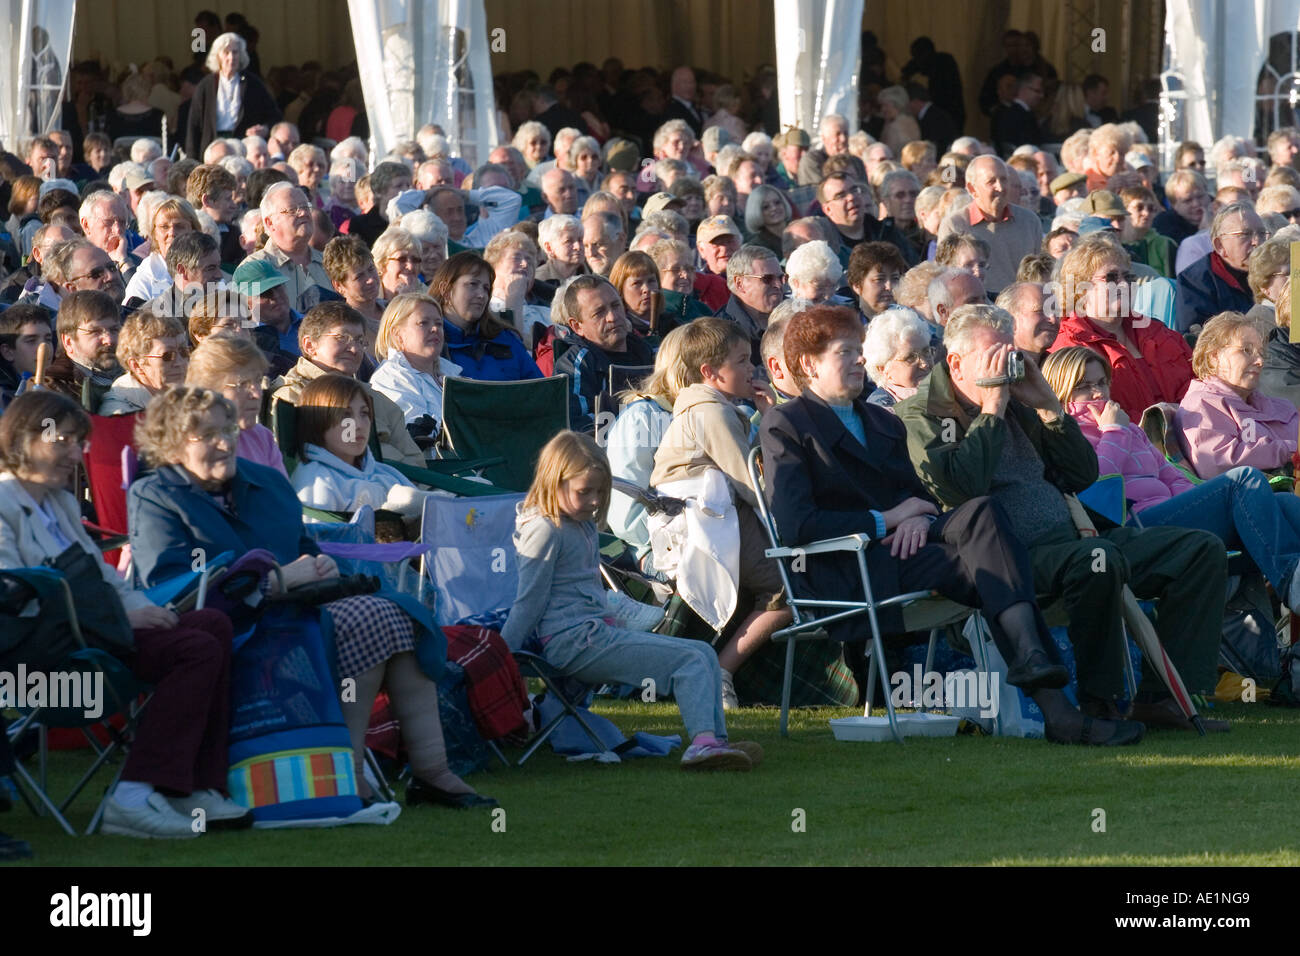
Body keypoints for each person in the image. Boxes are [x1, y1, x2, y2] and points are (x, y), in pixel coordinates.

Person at [761, 305, 1144, 744]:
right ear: (809, 365)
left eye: (858, 351)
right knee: (994, 566)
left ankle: (1047, 686)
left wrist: (918, 516)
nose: (860, 360)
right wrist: (887, 520)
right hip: (845, 568)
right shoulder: (786, 423)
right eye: (845, 352)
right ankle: (1050, 693)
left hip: (904, 553)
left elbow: (920, 496)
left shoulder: (880, 420)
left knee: (983, 518)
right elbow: (797, 525)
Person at [127, 386, 494, 808]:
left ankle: (432, 772)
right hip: (229, 623)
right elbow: (173, 587)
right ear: (170, 443)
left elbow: (303, 543)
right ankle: (347, 776)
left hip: (301, 607)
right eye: (207, 435)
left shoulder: (264, 481)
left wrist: (319, 565)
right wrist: (273, 581)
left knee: (400, 614)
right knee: (371, 619)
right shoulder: (156, 495)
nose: (226, 442)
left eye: (228, 429)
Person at [896, 303, 1229, 731]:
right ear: (956, 363)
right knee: (1097, 561)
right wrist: (992, 410)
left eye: (1009, 353)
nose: (1006, 366)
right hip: (1009, 558)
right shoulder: (925, 415)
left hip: (1076, 532)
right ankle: (1100, 704)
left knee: (1199, 550)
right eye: (992, 357)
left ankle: (1162, 698)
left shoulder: (1018, 401)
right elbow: (963, 490)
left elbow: (1081, 474)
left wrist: (1050, 408)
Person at [0, 390, 250, 837]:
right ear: (23, 439)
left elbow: (105, 577)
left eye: (79, 443)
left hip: (96, 636)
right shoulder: (3, 503)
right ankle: (134, 793)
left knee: (211, 622)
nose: (76, 454)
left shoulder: (58, 503)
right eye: (64, 441)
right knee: (194, 648)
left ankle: (189, 786)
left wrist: (139, 608)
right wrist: (119, 620)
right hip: (46, 655)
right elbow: (17, 595)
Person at [503, 430, 759, 768]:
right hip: (574, 643)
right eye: (585, 492)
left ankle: (714, 740)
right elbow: (528, 602)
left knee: (703, 653)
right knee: (690, 661)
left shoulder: (581, 525)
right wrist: (500, 653)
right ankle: (702, 746)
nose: (595, 500)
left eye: (600, 491)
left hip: (595, 633)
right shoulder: (545, 530)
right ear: (555, 482)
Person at [1044, 343, 1300, 614]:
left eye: (1102, 382)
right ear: (1061, 390)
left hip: (1173, 516)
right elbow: (1099, 484)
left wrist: (1197, 506)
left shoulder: (1130, 428)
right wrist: (1113, 430)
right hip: (1135, 530)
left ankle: (1293, 581)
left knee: (1285, 502)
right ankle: (1289, 582)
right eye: (1084, 386)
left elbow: (1173, 476)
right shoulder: (1068, 436)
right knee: (1244, 480)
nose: (1098, 392)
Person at [651, 318, 791, 709]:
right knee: (786, 590)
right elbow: (750, 483)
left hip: (718, 515)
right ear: (709, 372)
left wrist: (766, 415)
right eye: (742, 361)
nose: (752, 369)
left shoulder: (717, 406)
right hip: (705, 519)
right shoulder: (710, 412)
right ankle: (719, 674)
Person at [1048, 233, 1194, 420]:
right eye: (1111, 278)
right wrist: (1155, 421)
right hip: (1121, 443)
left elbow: (1196, 386)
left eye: (1128, 277)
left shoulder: (1159, 332)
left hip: (1187, 436)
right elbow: (1087, 414)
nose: (1124, 285)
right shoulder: (1068, 345)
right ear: (1081, 288)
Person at [271, 301, 426, 467]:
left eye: (360, 341)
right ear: (310, 346)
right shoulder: (292, 397)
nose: (354, 349)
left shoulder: (377, 399)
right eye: (342, 338)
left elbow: (416, 463)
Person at [1176, 311, 1298, 480]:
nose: (1260, 361)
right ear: (1214, 357)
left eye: (1261, 353)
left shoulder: (1279, 405)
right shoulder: (1202, 404)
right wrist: (1290, 450)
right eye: (1246, 350)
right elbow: (1216, 463)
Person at [292, 374, 430, 522]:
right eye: (346, 415)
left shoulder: (386, 474)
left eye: (364, 413)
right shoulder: (316, 480)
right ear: (317, 422)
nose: (358, 424)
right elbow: (317, 539)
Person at [554, 274, 654, 432]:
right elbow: (578, 426)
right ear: (577, 326)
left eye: (616, 306)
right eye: (598, 313)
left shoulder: (646, 351)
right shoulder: (575, 366)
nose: (612, 317)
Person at [936, 155, 1041, 295]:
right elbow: (947, 278)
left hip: (1021, 305)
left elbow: (1038, 273)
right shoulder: (955, 225)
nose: (1001, 187)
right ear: (972, 189)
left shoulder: (1029, 221)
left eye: (1004, 180)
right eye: (991, 181)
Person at [429, 252, 541, 382]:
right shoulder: (429, 341)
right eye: (473, 284)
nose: (481, 295)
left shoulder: (505, 339)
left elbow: (541, 390)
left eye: (486, 288)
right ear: (446, 290)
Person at [185, 332, 286, 477]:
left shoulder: (262, 437)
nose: (257, 394)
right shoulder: (191, 444)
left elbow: (283, 496)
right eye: (243, 384)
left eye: (258, 381)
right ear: (208, 389)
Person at [369, 292, 461, 433]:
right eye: (423, 323)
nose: (435, 329)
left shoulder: (452, 372)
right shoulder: (390, 378)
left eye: (439, 323)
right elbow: (415, 433)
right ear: (398, 334)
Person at [185, 32, 281, 160]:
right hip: (213, 148)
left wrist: (264, 129)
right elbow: (194, 125)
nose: (231, 57)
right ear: (217, 56)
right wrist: (192, 160)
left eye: (235, 52)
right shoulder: (205, 85)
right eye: (226, 53)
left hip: (244, 149)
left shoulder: (253, 84)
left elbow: (275, 116)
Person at [244, 183, 333, 314]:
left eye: (305, 207)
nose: (303, 213)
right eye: (292, 210)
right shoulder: (254, 269)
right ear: (270, 223)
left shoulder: (329, 263)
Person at [1176, 202, 1263, 333]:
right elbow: (1196, 339)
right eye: (1245, 234)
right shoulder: (1194, 281)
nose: (1257, 241)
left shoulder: (1277, 270)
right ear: (1220, 245)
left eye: (1262, 233)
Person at [43, 289, 123, 409]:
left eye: (114, 330)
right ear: (68, 342)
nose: (109, 340)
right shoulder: (50, 392)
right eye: (95, 332)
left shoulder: (140, 375)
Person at [99, 312, 189, 416]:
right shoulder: (120, 416)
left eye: (183, 351)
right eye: (167, 356)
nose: (180, 362)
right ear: (136, 366)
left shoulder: (191, 396)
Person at [818, 173, 917, 265]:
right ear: (828, 209)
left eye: (854, 190)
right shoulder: (825, 247)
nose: (851, 197)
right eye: (841, 195)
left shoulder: (887, 233)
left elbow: (912, 272)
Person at [122, 196, 200, 307]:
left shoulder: (206, 267)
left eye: (179, 226)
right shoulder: (145, 279)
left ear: (194, 230)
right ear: (155, 234)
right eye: (164, 227)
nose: (172, 232)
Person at [863, 306, 934, 407]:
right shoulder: (881, 411)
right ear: (883, 369)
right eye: (910, 358)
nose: (925, 364)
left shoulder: (946, 393)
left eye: (926, 352)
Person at [997, 279, 1059, 363]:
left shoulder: (1061, 370)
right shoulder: (990, 370)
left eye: (1056, 312)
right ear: (1009, 318)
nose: (1053, 319)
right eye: (1040, 311)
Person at [848, 241, 906, 325]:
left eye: (895, 278)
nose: (889, 286)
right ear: (857, 285)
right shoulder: (845, 327)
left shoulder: (911, 325)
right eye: (879, 279)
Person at [371, 227, 423, 301]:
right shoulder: (369, 296)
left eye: (415, 260)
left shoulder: (428, 296)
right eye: (402, 259)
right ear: (383, 262)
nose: (410, 266)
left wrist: (409, 300)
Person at [742, 184, 791, 257]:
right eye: (766, 207)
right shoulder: (756, 247)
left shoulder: (800, 231)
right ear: (756, 211)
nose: (774, 208)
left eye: (777, 202)